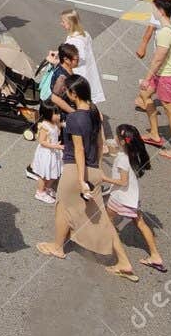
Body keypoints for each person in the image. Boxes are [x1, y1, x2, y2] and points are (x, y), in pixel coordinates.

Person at [37, 75, 138, 282]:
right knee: (99, 215)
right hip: (94, 168)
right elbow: (100, 143)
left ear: (74, 94)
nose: (67, 95)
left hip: (76, 169)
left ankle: (57, 247)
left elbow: (79, 150)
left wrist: (82, 179)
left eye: (68, 92)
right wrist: (98, 169)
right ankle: (123, 260)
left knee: (62, 206)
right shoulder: (94, 112)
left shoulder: (74, 118)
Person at [101, 123, 166, 272]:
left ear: (123, 141)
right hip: (132, 197)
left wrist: (105, 178)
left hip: (120, 198)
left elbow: (122, 182)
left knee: (107, 221)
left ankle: (115, 255)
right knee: (141, 223)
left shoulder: (123, 159)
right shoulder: (131, 154)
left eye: (117, 136)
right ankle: (155, 255)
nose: (115, 138)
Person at [136, 0, 171, 160]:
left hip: (166, 76)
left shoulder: (164, 33)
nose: (153, 12)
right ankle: (155, 134)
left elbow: (158, 59)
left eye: (154, 9)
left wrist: (146, 78)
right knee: (144, 95)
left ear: (161, 11)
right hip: (167, 74)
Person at [59, 9, 105, 106]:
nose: (61, 24)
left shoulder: (75, 41)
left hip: (79, 73)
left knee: (81, 101)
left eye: (63, 22)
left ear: (70, 23)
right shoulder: (84, 34)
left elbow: (76, 59)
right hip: (88, 71)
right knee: (87, 100)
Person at [29, 100, 63, 203]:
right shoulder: (45, 126)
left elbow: (60, 128)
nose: (58, 115)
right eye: (55, 113)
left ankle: (47, 188)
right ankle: (40, 192)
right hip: (47, 153)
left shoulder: (55, 123)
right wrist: (55, 146)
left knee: (53, 172)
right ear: (48, 115)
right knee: (43, 175)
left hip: (54, 152)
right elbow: (42, 141)